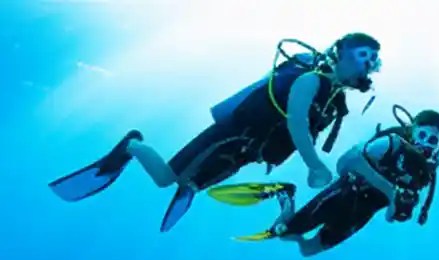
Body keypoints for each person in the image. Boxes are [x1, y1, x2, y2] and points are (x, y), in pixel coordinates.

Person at [48, 34, 382, 232]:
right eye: (364, 57)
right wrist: (315, 165)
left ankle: (192, 183)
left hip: (245, 152)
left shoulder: (334, 99)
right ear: (343, 53)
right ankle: (132, 145)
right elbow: (296, 122)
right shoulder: (312, 81)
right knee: (166, 179)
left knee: (194, 183)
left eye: (373, 61)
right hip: (229, 135)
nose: (369, 66)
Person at [209, 98, 439, 257]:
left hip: (362, 213)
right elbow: (346, 163)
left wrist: (399, 208)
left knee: (308, 250)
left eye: (435, 141)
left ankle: (289, 212)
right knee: (283, 231)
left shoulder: (424, 175)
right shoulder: (391, 144)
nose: (428, 145)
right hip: (345, 194)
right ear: (413, 130)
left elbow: (391, 215)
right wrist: (390, 190)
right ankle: (285, 194)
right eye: (424, 136)